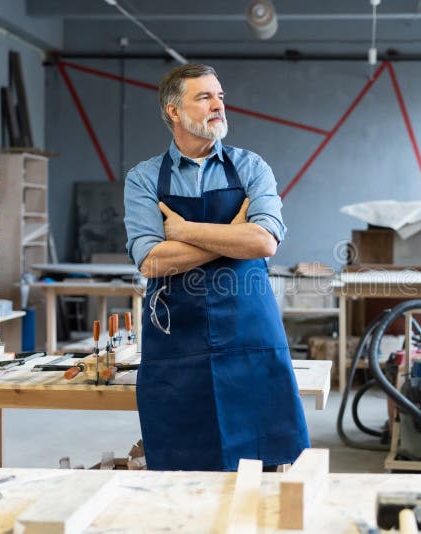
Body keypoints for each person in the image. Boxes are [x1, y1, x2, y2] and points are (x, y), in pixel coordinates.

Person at [123, 64, 310, 471]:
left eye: (220, 96)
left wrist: (184, 231)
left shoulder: (251, 168)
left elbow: (264, 241)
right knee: (181, 471)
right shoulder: (143, 179)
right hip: (177, 340)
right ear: (174, 111)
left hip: (249, 334)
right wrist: (232, 236)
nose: (218, 105)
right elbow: (152, 261)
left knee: (263, 470)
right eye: (204, 97)